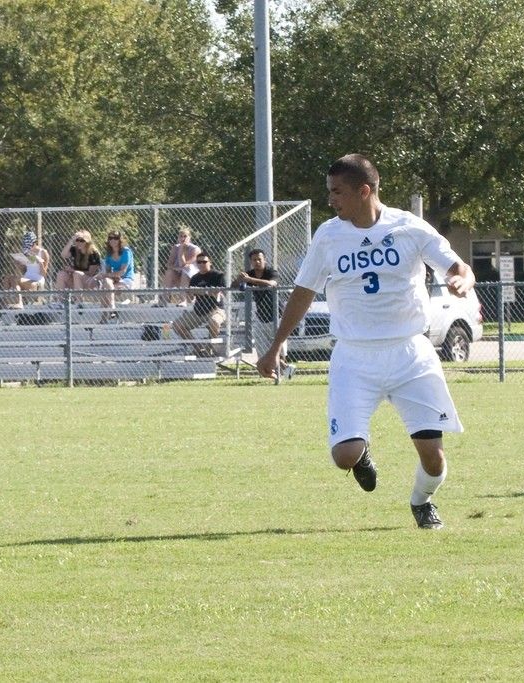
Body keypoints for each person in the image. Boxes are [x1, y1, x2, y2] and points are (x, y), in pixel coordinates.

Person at [256, 154, 476, 530]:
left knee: (434, 460)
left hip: (411, 354)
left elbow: (459, 268)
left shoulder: (409, 227)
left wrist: (462, 281)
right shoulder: (328, 235)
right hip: (355, 357)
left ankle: (421, 501)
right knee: (344, 455)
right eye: (329, 193)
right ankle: (361, 454)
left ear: (364, 190)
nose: (331, 200)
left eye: (337, 192)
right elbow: (303, 292)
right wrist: (275, 345)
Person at [232, 248, 293, 377]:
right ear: (251, 261)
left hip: (277, 316)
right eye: (254, 260)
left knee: (279, 347)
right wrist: (239, 279)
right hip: (261, 316)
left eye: (260, 259)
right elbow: (232, 286)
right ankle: (282, 371)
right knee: (263, 349)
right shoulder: (249, 274)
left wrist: (250, 280)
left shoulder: (271, 272)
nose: (257, 262)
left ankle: (284, 370)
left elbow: (271, 283)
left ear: (264, 260)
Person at [171, 252, 226, 354]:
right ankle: (198, 347)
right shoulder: (195, 278)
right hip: (199, 311)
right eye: (199, 262)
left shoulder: (218, 275)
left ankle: (209, 347)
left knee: (214, 321)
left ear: (210, 262)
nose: (201, 264)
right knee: (177, 325)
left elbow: (216, 293)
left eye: (204, 262)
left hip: (215, 309)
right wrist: (190, 292)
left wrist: (200, 291)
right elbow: (191, 297)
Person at [1, 231, 49, 309]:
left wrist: (40, 263)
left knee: (14, 279)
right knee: (8, 277)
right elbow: (25, 271)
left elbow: (44, 274)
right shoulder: (26, 252)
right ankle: (3, 303)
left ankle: (19, 303)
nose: (28, 248)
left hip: (37, 282)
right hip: (26, 279)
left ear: (34, 242)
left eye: (30, 245)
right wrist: (19, 265)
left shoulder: (43, 252)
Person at [95, 231, 135, 320]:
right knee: (106, 283)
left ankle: (104, 317)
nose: (113, 240)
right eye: (110, 238)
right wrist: (107, 276)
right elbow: (108, 272)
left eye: (116, 238)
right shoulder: (109, 254)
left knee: (105, 289)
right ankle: (112, 309)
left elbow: (122, 272)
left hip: (126, 279)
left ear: (120, 240)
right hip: (115, 280)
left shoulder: (126, 251)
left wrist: (107, 275)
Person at [55, 231, 101, 303]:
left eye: (82, 240)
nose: (79, 242)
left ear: (87, 242)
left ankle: (79, 302)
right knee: (61, 274)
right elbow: (63, 255)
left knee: (77, 274)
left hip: (91, 282)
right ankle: (60, 302)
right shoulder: (75, 249)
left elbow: (91, 273)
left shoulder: (93, 253)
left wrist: (73, 270)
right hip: (76, 281)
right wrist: (71, 240)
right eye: (77, 240)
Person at [159, 227, 201, 305]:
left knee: (186, 270)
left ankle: (183, 300)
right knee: (169, 272)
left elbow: (184, 264)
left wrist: (181, 250)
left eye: (185, 236)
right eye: (181, 236)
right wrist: (176, 268)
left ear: (189, 237)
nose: (183, 238)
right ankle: (163, 301)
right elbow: (169, 264)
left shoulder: (195, 249)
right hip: (179, 277)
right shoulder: (175, 248)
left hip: (191, 279)